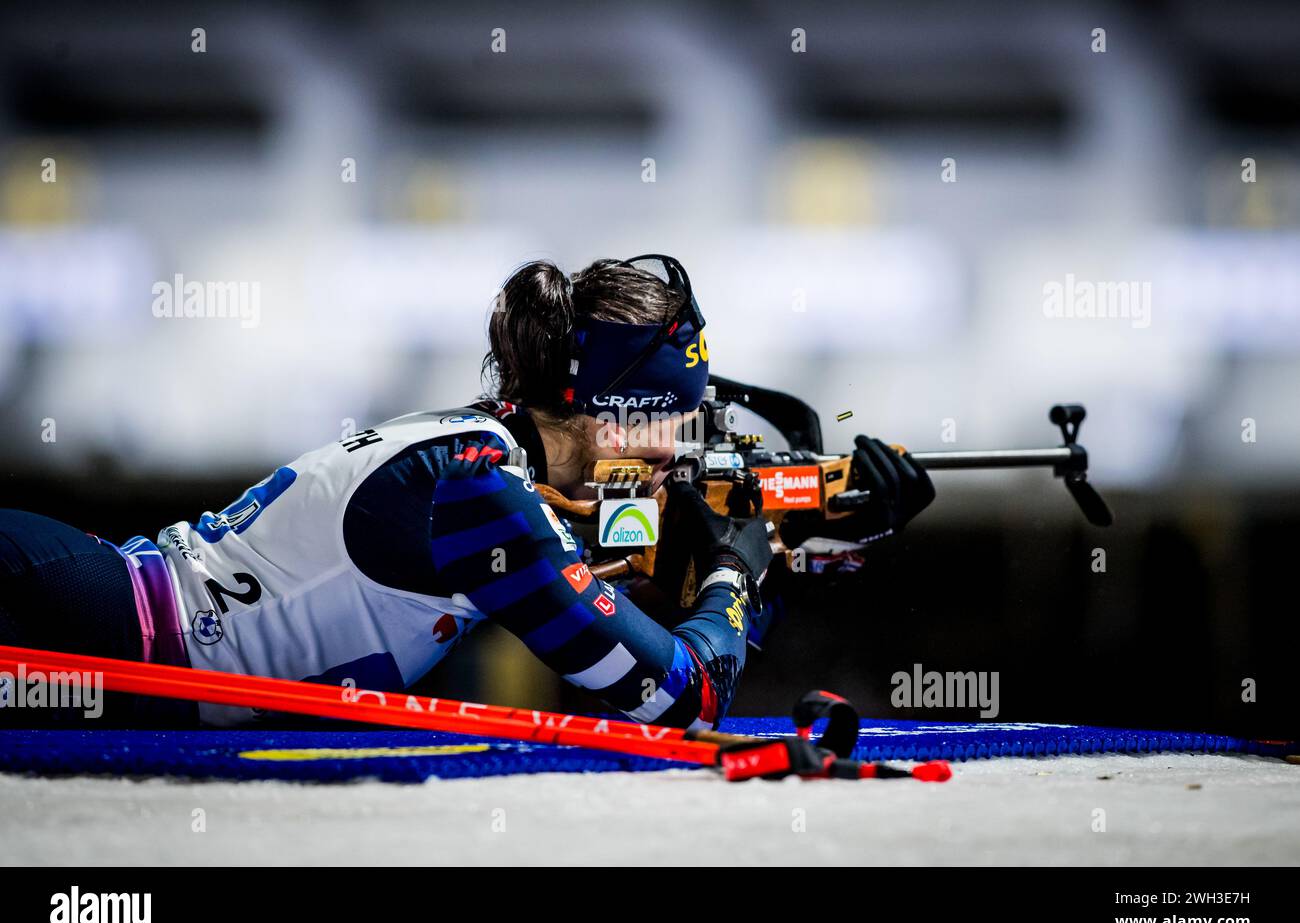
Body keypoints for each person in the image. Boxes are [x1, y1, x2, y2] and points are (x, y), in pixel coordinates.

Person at [0, 255, 932, 728]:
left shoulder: (506, 458)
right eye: (674, 424)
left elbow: (644, 577)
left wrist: (824, 534)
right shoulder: (486, 493)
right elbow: (675, 695)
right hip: (84, 625)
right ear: (609, 417)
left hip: (107, 632)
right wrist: (743, 565)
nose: (680, 451)